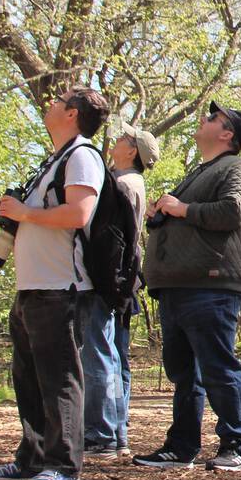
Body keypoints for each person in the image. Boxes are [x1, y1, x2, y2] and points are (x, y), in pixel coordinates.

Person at [0, 86, 110, 480]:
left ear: (72, 114)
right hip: (32, 286)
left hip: (61, 286)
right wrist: (13, 214)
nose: (49, 103)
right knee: (30, 378)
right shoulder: (53, 161)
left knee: (59, 378)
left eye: (58, 101)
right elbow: (39, 217)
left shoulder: (83, 156)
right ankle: (31, 459)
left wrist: (26, 212)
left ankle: (64, 467)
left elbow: (78, 214)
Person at [134, 101, 241, 473]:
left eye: (212, 118)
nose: (203, 120)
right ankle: (182, 446)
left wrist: (182, 210)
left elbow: (234, 211)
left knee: (218, 366)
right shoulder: (199, 171)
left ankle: (235, 445)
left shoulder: (240, 168)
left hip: (212, 284)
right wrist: (162, 214)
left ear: (227, 134)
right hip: (175, 285)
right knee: (183, 372)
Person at [81, 124, 157, 460]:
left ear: (133, 152)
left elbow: (109, 237)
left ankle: (102, 435)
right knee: (113, 354)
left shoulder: (124, 183)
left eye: (125, 140)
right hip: (121, 281)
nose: (118, 141)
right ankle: (116, 433)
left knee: (100, 353)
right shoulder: (126, 181)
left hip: (107, 280)